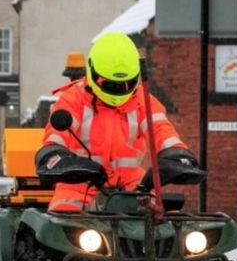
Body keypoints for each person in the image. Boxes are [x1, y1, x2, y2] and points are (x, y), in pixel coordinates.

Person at [35, 32, 202, 211]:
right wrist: (56, 158)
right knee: (60, 223)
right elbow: (55, 139)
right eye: (111, 85)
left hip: (133, 189)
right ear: (92, 72)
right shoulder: (72, 100)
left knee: (162, 226)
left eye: (127, 84)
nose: (120, 90)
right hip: (77, 186)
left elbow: (162, 131)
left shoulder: (143, 100)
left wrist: (178, 156)